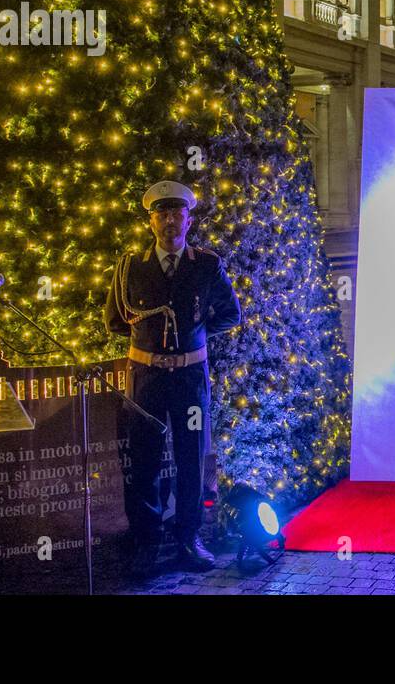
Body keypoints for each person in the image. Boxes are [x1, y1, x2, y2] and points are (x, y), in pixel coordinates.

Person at [105, 180, 242, 577]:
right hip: (145, 379)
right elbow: (115, 320)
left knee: (190, 459)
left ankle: (188, 539)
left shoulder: (206, 265)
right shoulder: (131, 267)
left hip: (189, 379)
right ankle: (148, 543)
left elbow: (230, 314)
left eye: (176, 214)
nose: (169, 221)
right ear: (151, 221)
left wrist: (193, 335)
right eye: (161, 215)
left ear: (188, 219)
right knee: (144, 460)